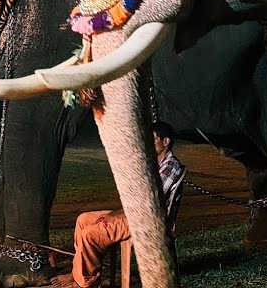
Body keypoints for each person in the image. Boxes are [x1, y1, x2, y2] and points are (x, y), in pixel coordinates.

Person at [57, 121, 186, 288]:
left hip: (148, 220)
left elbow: (146, 201)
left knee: (90, 234)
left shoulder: (170, 166)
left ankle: (86, 283)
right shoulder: (156, 164)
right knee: (83, 219)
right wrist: (113, 215)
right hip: (136, 212)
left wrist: (113, 217)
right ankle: (78, 273)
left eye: (152, 139)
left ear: (166, 142)